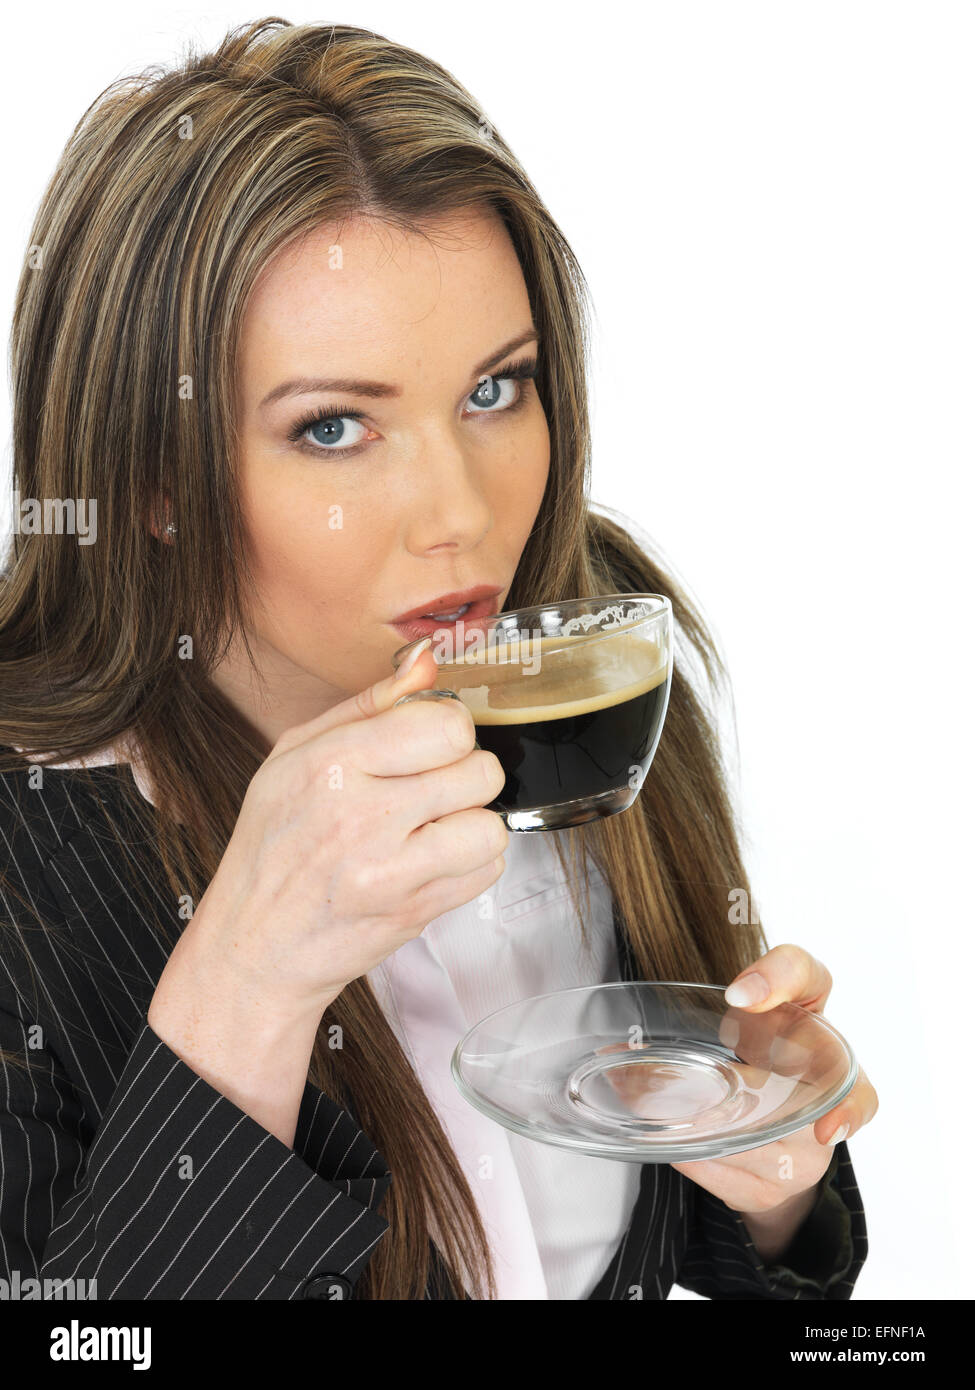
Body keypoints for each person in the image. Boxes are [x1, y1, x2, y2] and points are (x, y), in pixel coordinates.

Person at [0, 18, 876, 1301]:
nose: (461, 517)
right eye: (336, 425)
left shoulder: (597, 638)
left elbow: (706, 1231)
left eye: (493, 391)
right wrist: (246, 977)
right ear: (150, 482)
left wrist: (773, 1176)